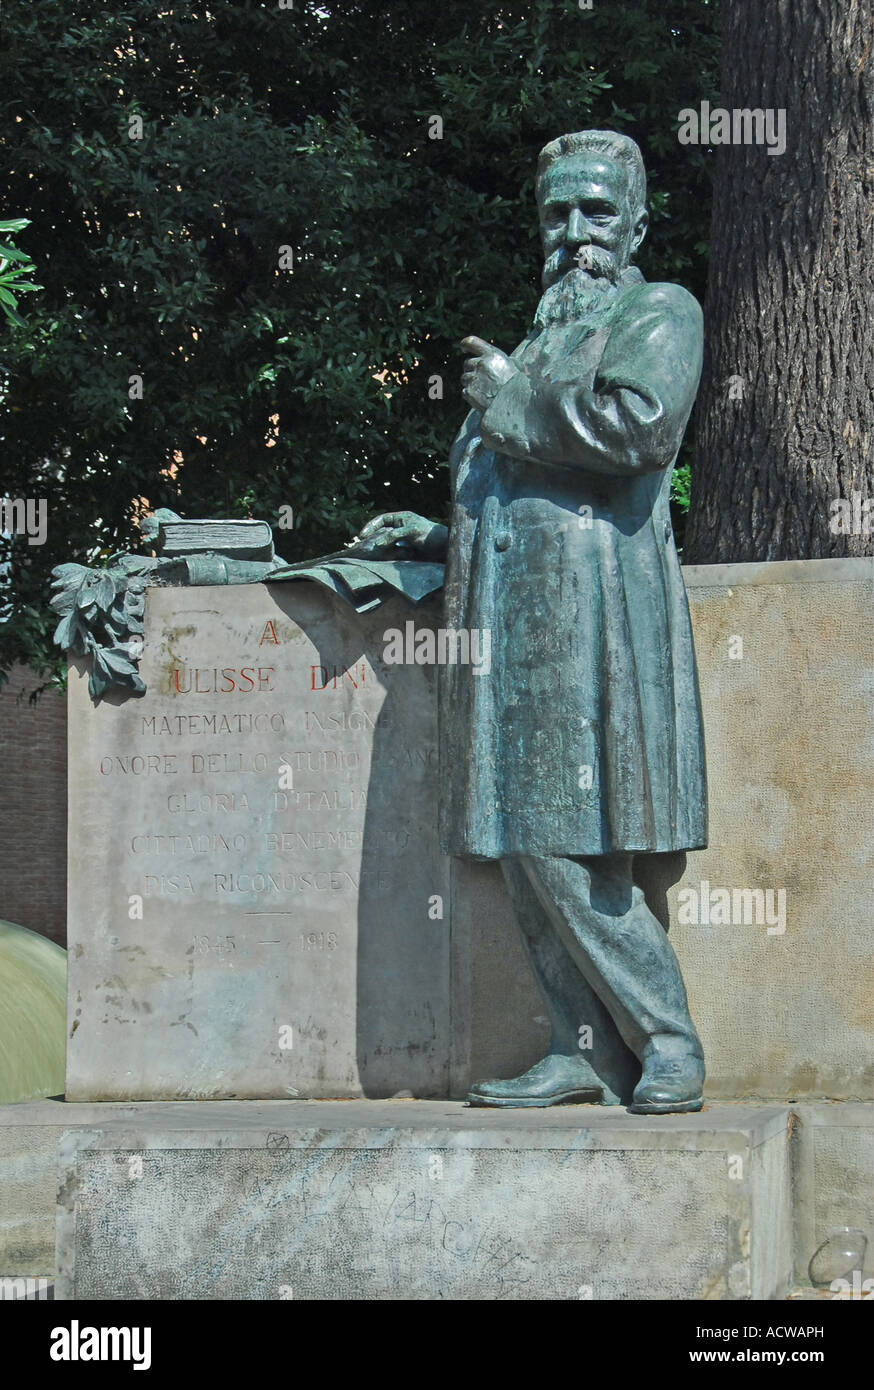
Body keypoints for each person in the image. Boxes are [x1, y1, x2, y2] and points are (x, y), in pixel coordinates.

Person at [357, 131, 707, 1114]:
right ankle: (581, 1045)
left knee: (568, 846)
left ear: (636, 220)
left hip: (592, 632)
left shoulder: (657, 313)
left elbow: (638, 428)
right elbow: (515, 489)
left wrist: (510, 399)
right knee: (521, 847)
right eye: (556, 213)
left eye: (597, 210)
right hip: (503, 634)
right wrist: (438, 530)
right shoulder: (540, 340)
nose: (575, 232)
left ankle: (669, 1039)